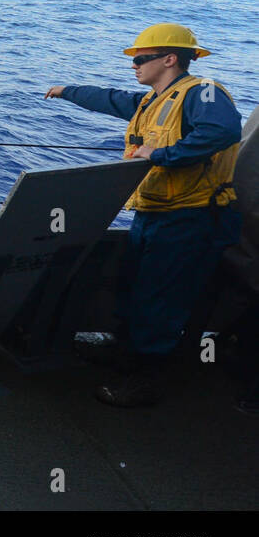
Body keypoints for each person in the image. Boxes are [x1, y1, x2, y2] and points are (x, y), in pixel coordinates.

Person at [46, 23, 242, 407]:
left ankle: (148, 378)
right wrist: (67, 91)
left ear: (170, 59)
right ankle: (126, 353)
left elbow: (223, 131)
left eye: (140, 58)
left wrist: (162, 155)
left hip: (192, 218)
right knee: (134, 286)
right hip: (154, 213)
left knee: (162, 300)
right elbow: (113, 99)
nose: (133, 65)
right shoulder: (153, 100)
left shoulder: (204, 92)